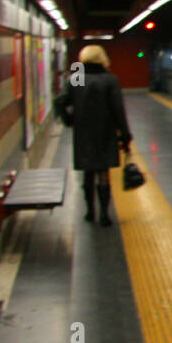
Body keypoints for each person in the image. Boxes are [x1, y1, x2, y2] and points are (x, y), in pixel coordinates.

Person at [54, 45, 132, 226]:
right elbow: (118, 110)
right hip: (106, 133)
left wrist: (69, 120)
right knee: (103, 173)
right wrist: (125, 135)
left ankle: (90, 212)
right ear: (102, 58)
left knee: (88, 173)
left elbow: (59, 102)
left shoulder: (77, 78)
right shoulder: (110, 80)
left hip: (84, 134)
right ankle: (104, 215)